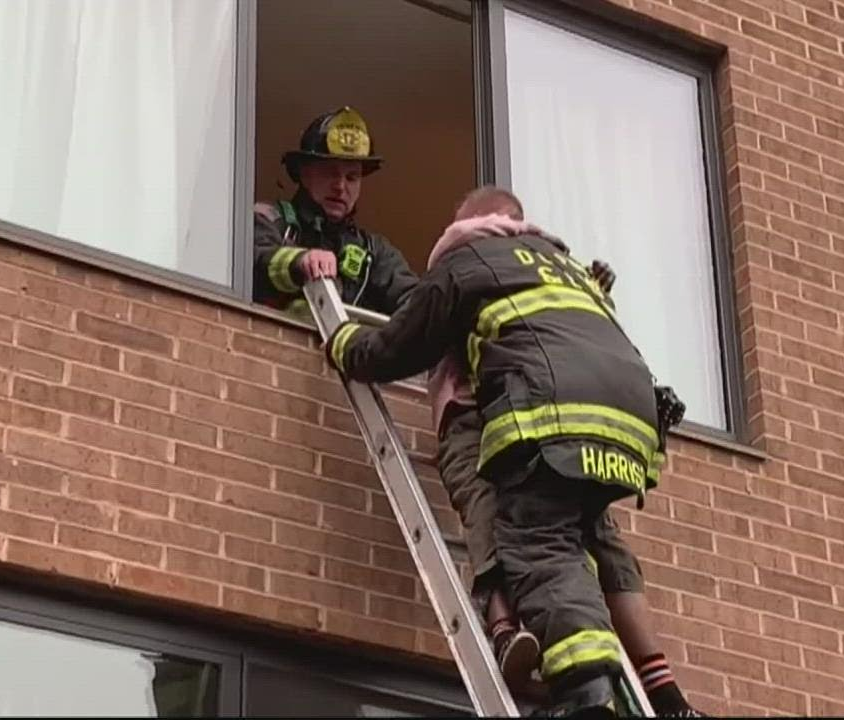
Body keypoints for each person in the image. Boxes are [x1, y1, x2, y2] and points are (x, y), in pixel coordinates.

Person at [325, 186, 683, 719]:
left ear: (470, 224)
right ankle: (659, 696)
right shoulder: (568, 268)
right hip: (629, 426)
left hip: (552, 412)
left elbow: (400, 346)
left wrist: (344, 344)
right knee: (593, 539)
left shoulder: (469, 257)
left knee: (540, 545)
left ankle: (586, 697)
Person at [427, 189, 704, 717]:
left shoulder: (508, 264)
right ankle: (648, 689)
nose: (503, 238)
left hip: (530, 418)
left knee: (539, 537)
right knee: (567, 532)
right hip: (521, 417)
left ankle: (587, 690)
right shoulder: (531, 265)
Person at [253, 106, 418, 320]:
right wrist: (301, 261)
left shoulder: (374, 253)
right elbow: (254, 259)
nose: (340, 186)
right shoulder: (270, 219)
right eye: (330, 173)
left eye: (352, 178)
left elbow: (416, 302)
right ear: (304, 174)